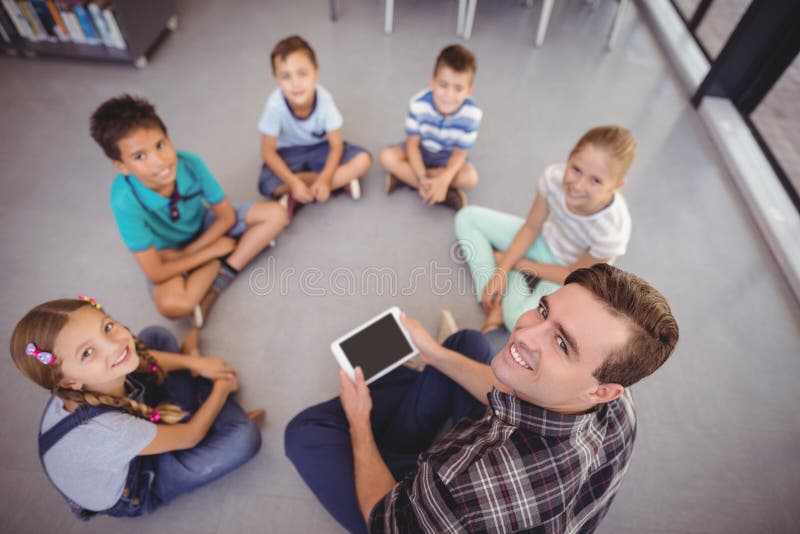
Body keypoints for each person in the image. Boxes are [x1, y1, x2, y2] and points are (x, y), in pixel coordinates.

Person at [285, 264, 679, 533]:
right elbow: (508, 387)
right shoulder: (619, 404)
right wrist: (436, 355)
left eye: (561, 343)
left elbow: (383, 521)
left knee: (305, 432)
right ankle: (409, 420)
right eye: (543, 311)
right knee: (467, 344)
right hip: (483, 489)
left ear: (602, 389)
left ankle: (388, 446)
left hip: (431, 507)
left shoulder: (463, 484)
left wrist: (359, 423)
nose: (524, 334)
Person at [9, 296, 264, 519]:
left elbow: (141, 359)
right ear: (68, 382)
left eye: (107, 327)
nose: (114, 345)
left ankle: (201, 396)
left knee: (156, 337)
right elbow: (189, 437)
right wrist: (221, 390)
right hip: (140, 482)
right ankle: (212, 404)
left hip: (129, 433)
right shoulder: (111, 432)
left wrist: (193, 363)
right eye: (87, 353)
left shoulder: (81, 382)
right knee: (244, 438)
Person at [90, 95, 287, 328]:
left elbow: (226, 217)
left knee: (277, 215)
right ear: (122, 166)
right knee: (173, 305)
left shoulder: (191, 164)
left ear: (169, 138)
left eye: (160, 145)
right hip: (167, 252)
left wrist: (191, 254)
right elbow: (155, 272)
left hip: (206, 226)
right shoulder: (123, 200)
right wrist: (211, 251)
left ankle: (221, 276)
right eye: (140, 156)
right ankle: (227, 256)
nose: (159, 162)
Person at [454, 125, 634, 332]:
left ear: (616, 186)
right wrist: (501, 271)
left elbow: (573, 275)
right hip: (544, 241)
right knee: (467, 218)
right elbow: (531, 227)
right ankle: (495, 292)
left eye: (595, 180)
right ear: (569, 158)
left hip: (570, 275)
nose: (578, 185)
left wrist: (516, 263)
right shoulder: (553, 178)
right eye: (575, 169)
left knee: (519, 323)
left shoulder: (612, 232)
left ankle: (505, 290)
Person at [257, 34, 372, 217]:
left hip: (321, 150)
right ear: (277, 81)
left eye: (302, 74)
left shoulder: (325, 101)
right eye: (286, 77)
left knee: (363, 160)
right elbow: (268, 151)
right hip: (290, 154)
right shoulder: (275, 106)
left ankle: (306, 190)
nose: (295, 84)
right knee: (266, 184)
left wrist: (325, 179)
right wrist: (293, 182)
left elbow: (336, 146)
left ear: (316, 74)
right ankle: (336, 183)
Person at [378, 44, 482, 211]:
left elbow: (460, 154)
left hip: (446, 157)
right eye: (443, 85)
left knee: (470, 178)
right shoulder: (418, 104)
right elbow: (412, 145)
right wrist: (421, 177)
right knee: (386, 157)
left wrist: (445, 178)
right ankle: (441, 193)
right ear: (432, 82)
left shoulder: (473, 114)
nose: (449, 95)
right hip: (420, 150)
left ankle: (405, 178)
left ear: (469, 91)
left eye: (458, 89)